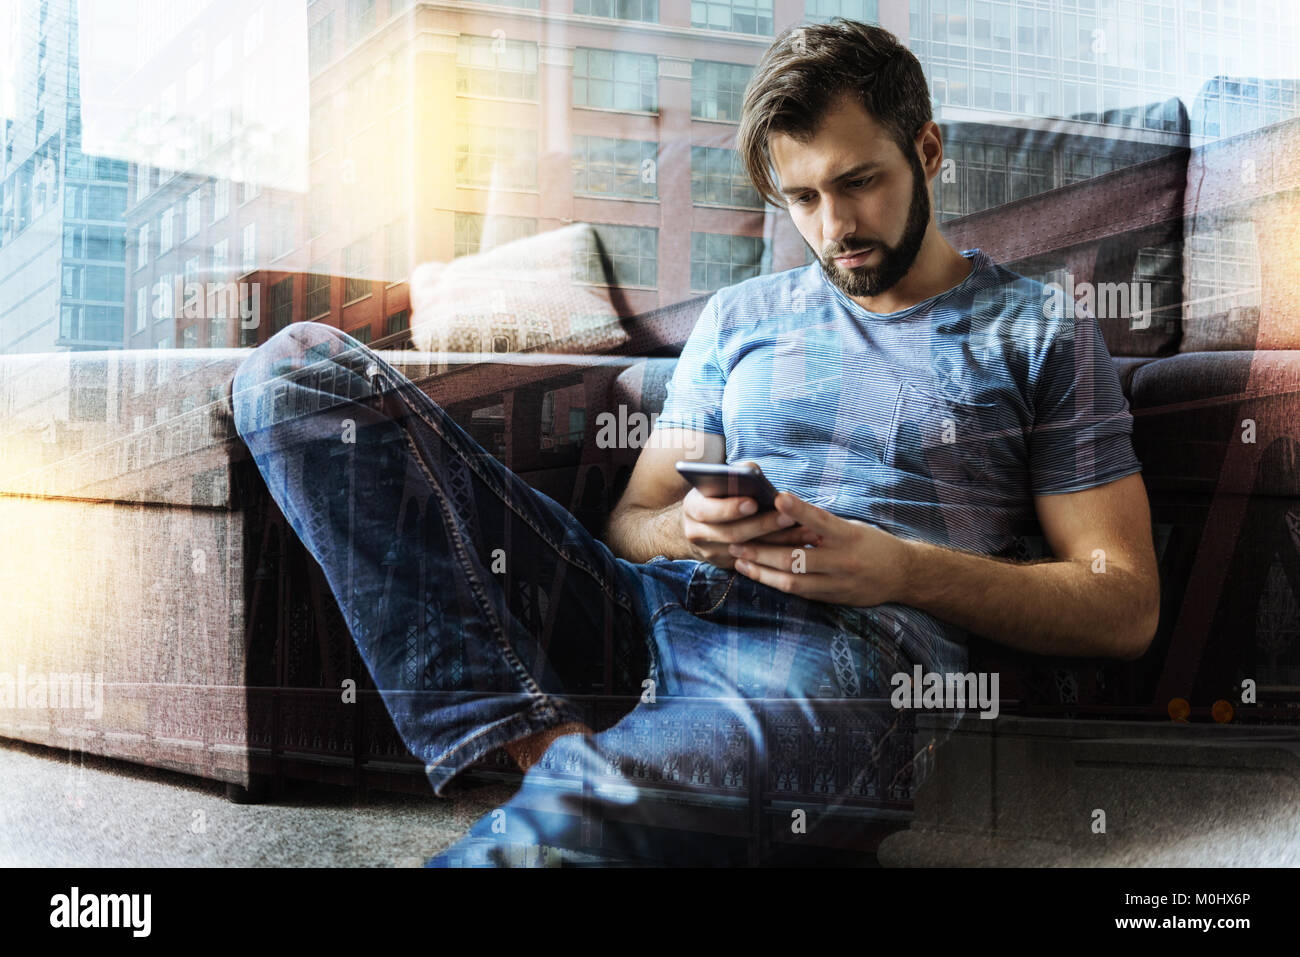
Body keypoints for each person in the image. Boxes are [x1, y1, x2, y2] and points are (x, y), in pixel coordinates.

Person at [229, 19, 1159, 867]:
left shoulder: (1037, 330)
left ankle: (592, 796)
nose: (833, 228)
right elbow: (631, 523)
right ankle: (549, 751)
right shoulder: (742, 314)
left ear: (928, 149)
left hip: (835, 656)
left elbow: (1123, 605)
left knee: (562, 842)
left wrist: (898, 568)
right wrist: (698, 530)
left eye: (858, 182)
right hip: (640, 608)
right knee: (293, 374)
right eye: (801, 197)